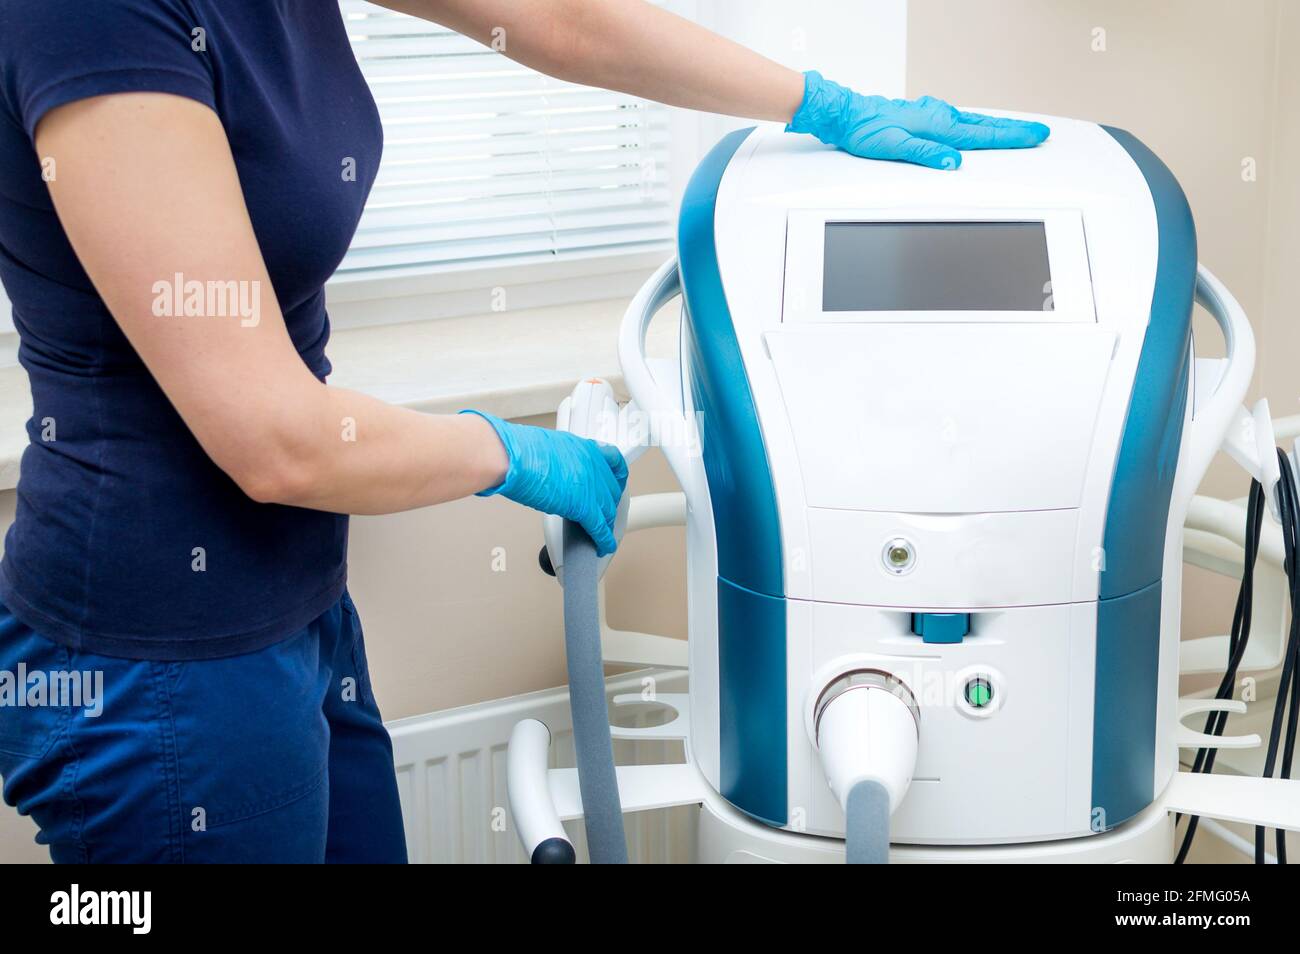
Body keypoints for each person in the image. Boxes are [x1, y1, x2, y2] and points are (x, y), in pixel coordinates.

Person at [0, 0, 1049, 863]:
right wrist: (507, 451)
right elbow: (279, 441)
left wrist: (817, 104)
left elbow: (552, 19)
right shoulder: (90, 15)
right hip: (156, 661)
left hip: (300, 606)